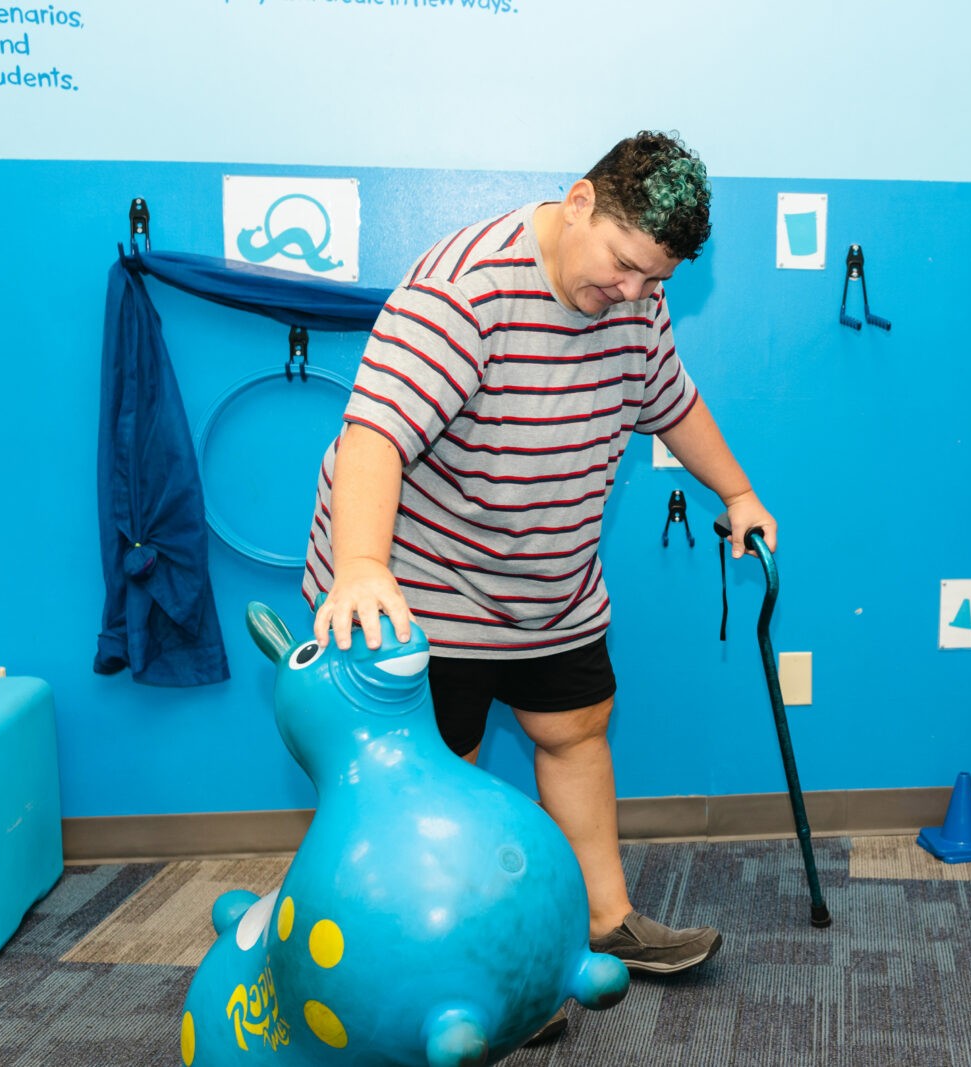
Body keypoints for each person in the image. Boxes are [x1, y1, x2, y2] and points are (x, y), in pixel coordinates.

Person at [301, 131, 774, 1036]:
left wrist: (739, 491)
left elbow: (669, 400)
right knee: (442, 777)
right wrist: (361, 566)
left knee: (576, 726)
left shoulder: (633, 300)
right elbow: (374, 435)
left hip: (547, 575)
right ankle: (471, 968)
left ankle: (605, 921)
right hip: (425, 580)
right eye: (627, 268)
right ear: (580, 201)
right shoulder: (463, 292)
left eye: (657, 283)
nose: (635, 295)